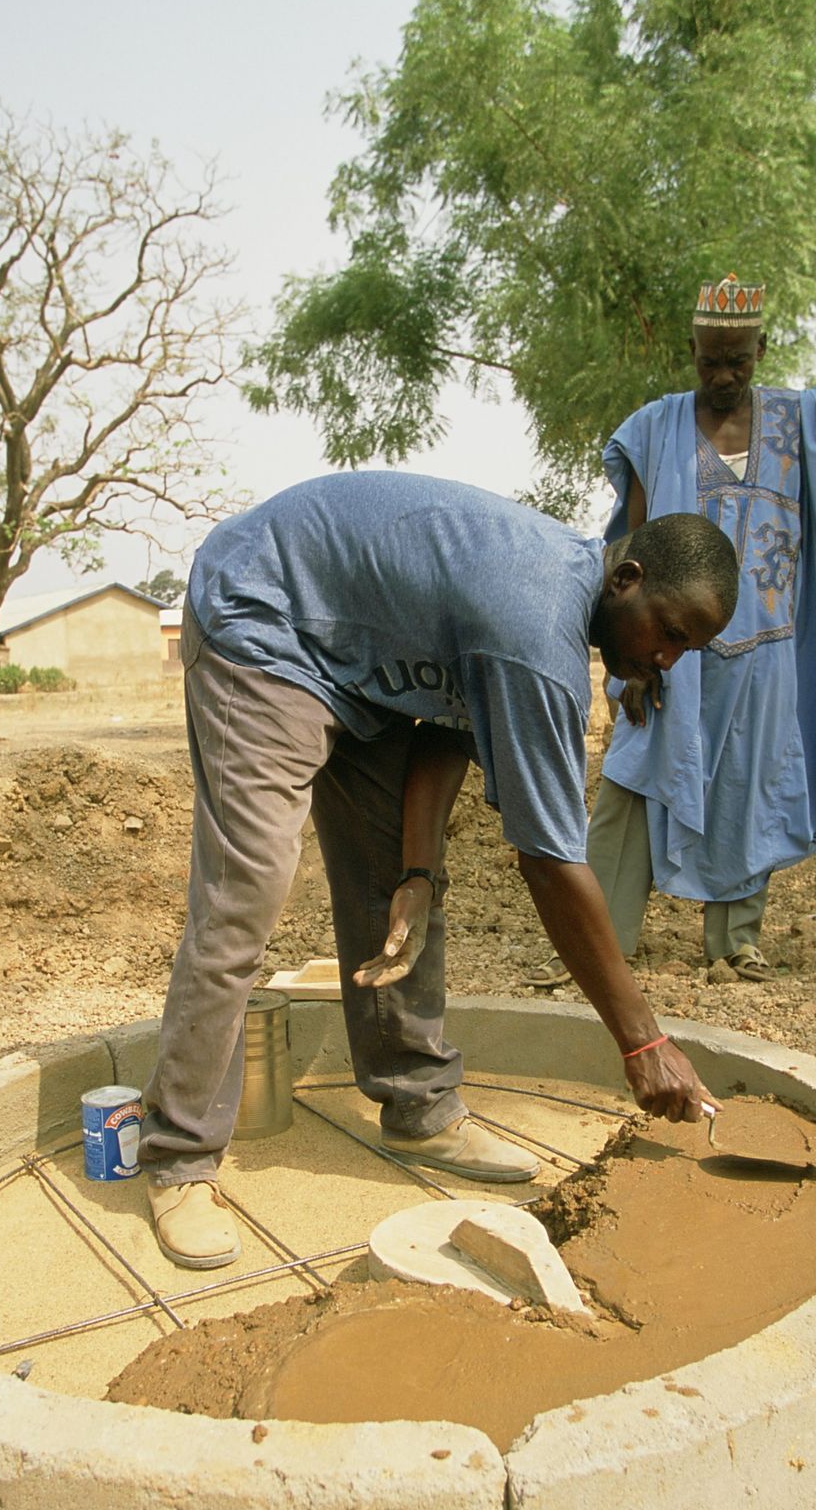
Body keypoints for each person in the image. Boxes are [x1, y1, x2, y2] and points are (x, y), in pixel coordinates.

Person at [139, 470, 738, 1269]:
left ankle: (418, 1107)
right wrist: (642, 1043)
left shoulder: (544, 609)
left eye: (684, 651)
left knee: (393, 885)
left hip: (353, 661)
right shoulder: (536, 628)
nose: (664, 659)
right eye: (666, 631)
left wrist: (416, 871)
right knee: (245, 893)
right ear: (625, 579)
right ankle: (178, 1159)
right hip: (267, 618)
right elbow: (551, 861)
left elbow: (449, 731)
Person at [527, 274, 816, 990]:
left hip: (764, 651)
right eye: (709, 361)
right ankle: (598, 947)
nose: (723, 377)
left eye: (738, 362)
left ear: (761, 350)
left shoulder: (800, 422)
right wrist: (630, 668)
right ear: (691, 352)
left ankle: (735, 944)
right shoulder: (659, 426)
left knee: (752, 786)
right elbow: (630, 541)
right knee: (631, 784)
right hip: (670, 650)